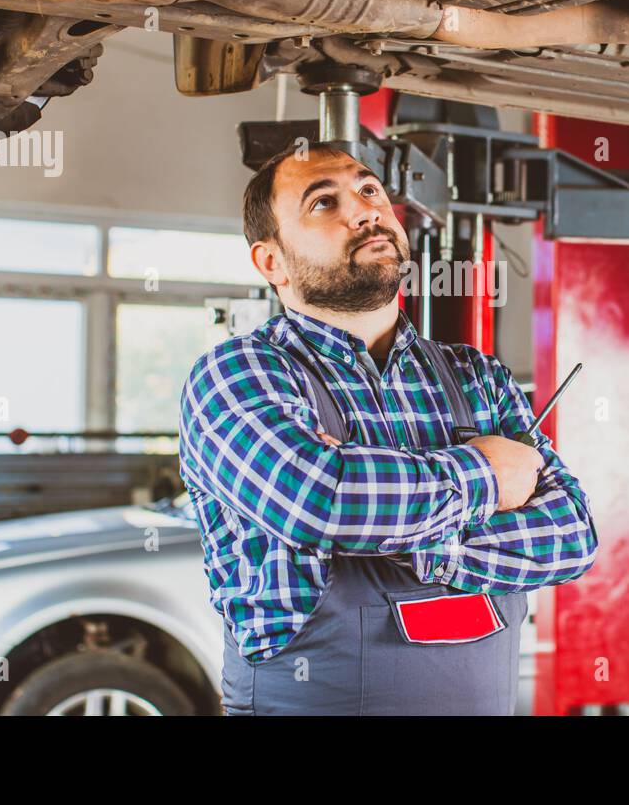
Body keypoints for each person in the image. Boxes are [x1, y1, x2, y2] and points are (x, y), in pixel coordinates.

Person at [179, 142, 598, 715]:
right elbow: (321, 500)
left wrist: (411, 542)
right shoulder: (237, 373)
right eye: (324, 203)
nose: (364, 210)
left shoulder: (475, 376)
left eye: (369, 190)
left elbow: (571, 536)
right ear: (270, 261)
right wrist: (486, 477)